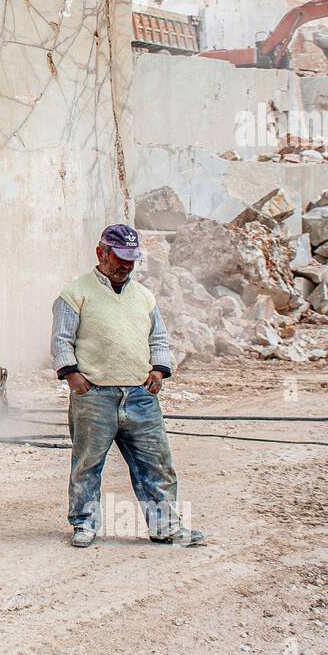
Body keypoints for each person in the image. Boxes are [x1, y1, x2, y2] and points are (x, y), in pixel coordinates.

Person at [50, 224, 206, 548]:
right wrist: (74, 379)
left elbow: (159, 338)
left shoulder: (144, 297)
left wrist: (159, 372)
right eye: (120, 258)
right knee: (87, 464)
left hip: (139, 396)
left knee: (157, 463)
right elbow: (61, 341)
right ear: (101, 254)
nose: (126, 266)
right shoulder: (74, 294)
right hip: (95, 397)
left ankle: (166, 526)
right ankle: (84, 524)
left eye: (131, 260)